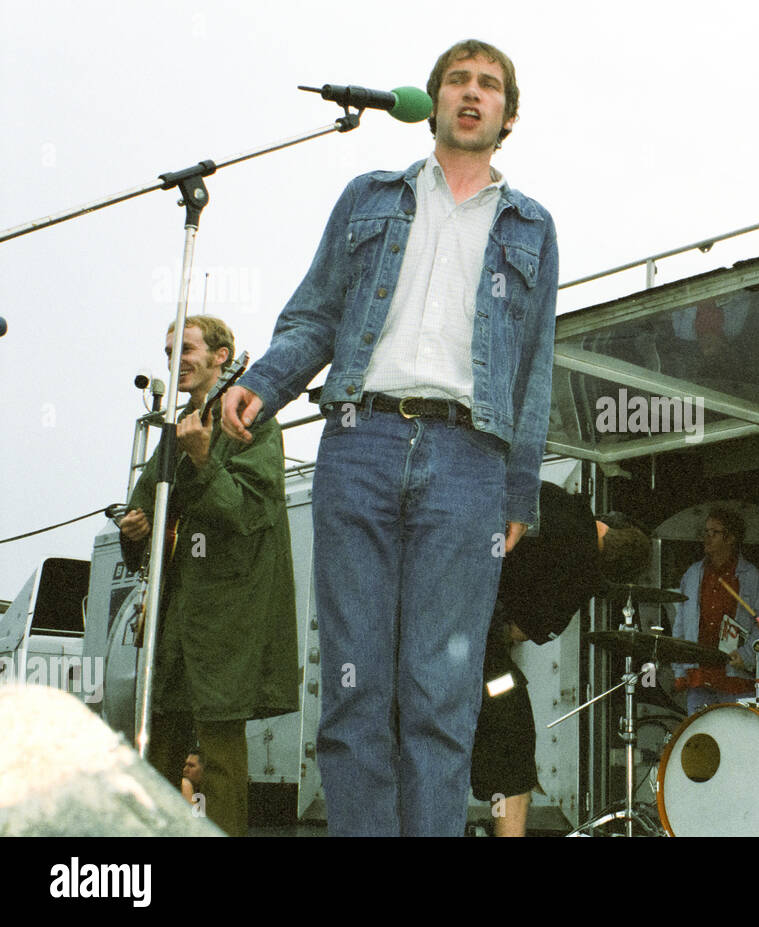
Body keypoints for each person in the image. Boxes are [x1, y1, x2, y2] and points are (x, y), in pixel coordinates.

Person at [221, 40, 558, 837]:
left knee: (441, 696)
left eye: (489, 86)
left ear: (509, 115)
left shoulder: (533, 227)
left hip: (469, 461)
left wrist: (520, 492)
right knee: (355, 688)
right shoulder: (368, 197)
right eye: (458, 81)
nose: (472, 95)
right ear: (435, 101)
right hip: (359, 442)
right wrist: (261, 383)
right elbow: (315, 314)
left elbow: (534, 372)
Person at [119, 315, 298, 837]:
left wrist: (205, 461)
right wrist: (135, 530)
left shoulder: (253, 422)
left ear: (222, 355)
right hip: (176, 617)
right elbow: (145, 511)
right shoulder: (177, 431)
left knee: (220, 760)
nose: (178, 362)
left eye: (188, 349)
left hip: (228, 619)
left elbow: (249, 513)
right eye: (171, 352)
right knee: (157, 752)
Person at [471, 482, 651, 836]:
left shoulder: (553, 497)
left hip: (422, 599)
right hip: (472, 646)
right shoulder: (580, 580)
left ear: (608, 522)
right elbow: (519, 633)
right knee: (512, 722)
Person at [671, 508, 759, 714]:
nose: (707, 538)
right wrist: (680, 669)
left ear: (730, 538)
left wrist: (748, 655)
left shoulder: (750, 576)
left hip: (735, 680)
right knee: (701, 741)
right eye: (705, 532)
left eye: (714, 533)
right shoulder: (693, 573)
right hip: (699, 678)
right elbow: (680, 624)